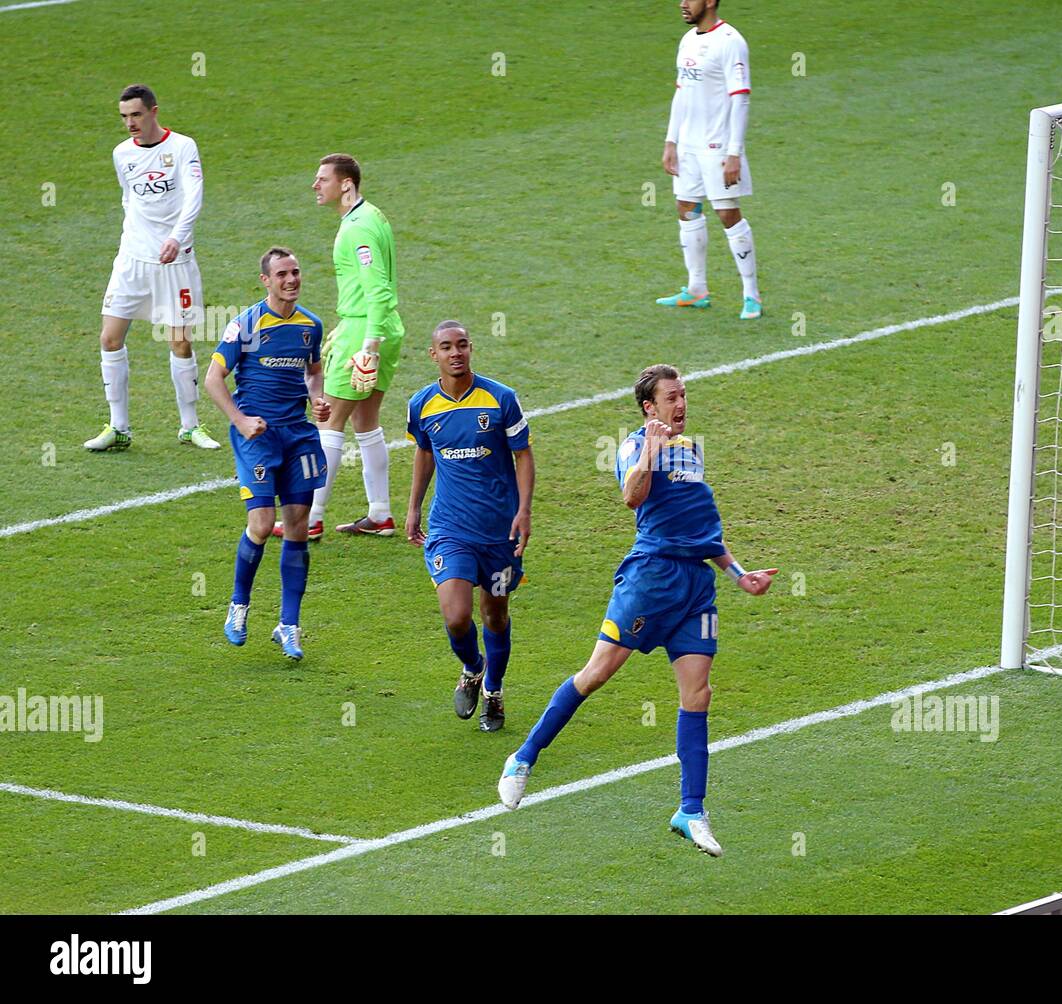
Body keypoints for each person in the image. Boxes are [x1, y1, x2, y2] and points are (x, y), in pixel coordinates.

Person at [497, 364, 777, 857]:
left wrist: (741, 575)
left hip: (697, 586)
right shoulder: (631, 447)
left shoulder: (692, 451)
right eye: (672, 397)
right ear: (649, 407)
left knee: (699, 692)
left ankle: (691, 810)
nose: (681, 404)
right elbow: (632, 496)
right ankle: (523, 758)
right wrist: (651, 448)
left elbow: (701, 528)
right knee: (598, 672)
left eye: (684, 395)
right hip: (651, 579)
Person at [405, 321, 535, 732]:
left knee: (494, 615)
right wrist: (412, 508)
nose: (455, 353)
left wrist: (525, 511)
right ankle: (473, 667)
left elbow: (524, 456)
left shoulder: (501, 399)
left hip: (499, 533)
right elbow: (424, 454)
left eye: (462, 345)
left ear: (471, 349)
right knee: (458, 615)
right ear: (434, 355)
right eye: (446, 347)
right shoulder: (422, 405)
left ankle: (493, 692)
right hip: (450, 529)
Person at [204, 248, 330, 661]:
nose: (291, 280)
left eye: (295, 272)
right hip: (257, 437)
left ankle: (288, 625)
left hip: (298, 436)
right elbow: (213, 378)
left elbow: (312, 372)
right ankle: (239, 606)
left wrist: (319, 399)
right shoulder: (246, 324)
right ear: (266, 281)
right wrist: (240, 421)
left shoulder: (311, 326)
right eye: (282, 274)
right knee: (261, 523)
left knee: (297, 525)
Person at [87, 84, 219, 452]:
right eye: (124, 116)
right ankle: (119, 427)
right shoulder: (121, 154)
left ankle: (190, 426)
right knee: (110, 338)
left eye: (136, 115)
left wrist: (176, 237)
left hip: (175, 260)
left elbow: (194, 195)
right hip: (132, 260)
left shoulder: (182, 147)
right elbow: (129, 198)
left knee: (179, 340)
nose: (130, 123)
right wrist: (138, 240)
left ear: (153, 112)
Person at [286, 154, 405, 539]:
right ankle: (381, 514)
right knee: (365, 421)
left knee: (328, 421)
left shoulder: (357, 230)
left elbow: (378, 288)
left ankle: (311, 518)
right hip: (382, 326)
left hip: (366, 330)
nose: (315, 185)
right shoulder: (374, 216)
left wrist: (366, 343)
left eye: (322, 179)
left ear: (346, 185)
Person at [656, 0, 762, 320]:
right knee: (686, 208)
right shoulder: (688, 40)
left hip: (717, 146)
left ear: (711, 1)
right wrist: (671, 140)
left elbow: (740, 98)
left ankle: (751, 295)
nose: (683, 4)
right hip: (688, 146)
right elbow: (681, 92)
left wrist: (734, 152)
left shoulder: (731, 42)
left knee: (727, 213)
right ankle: (697, 289)